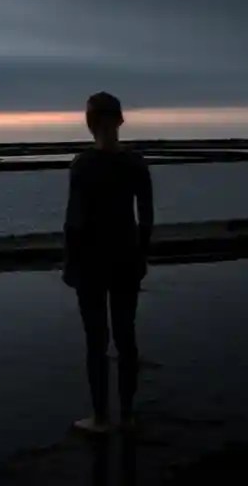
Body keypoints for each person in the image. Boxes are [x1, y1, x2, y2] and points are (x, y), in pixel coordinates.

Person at [64, 91, 154, 433]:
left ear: (90, 122)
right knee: (126, 337)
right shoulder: (136, 163)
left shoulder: (83, 164)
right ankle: (127, 416)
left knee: (97, 341)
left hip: (90, 262)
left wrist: (70, 262)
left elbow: (74, 221)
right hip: (127, 258)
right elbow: (145, 218)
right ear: (119, 120)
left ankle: (101, 417)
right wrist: (142, 255)